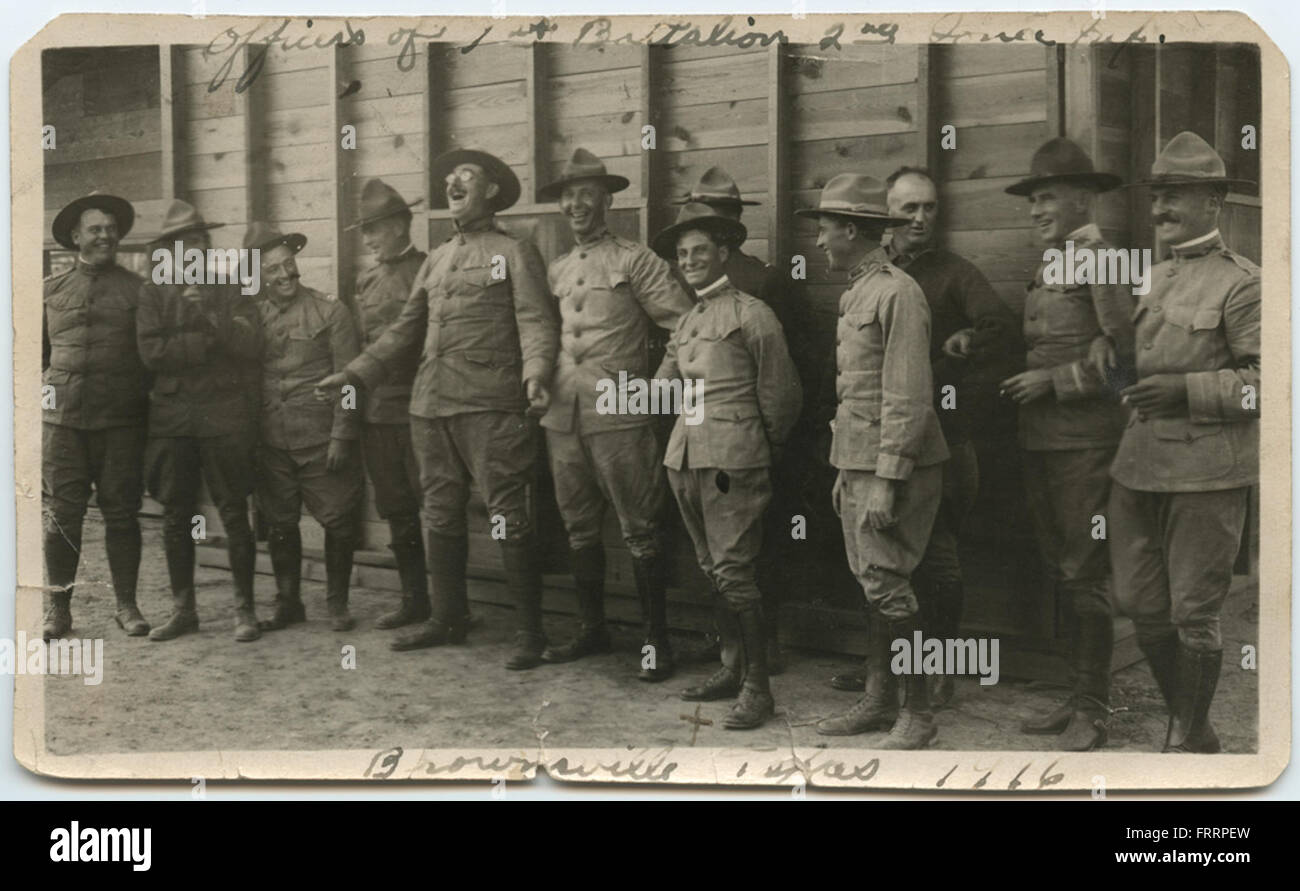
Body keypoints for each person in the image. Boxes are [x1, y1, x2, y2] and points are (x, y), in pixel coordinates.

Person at [318, 148, 560, 669]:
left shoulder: (512, 251)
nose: (452, 183)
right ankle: (447, 617)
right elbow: (405, 331)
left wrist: (536, 374)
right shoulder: (439, 258)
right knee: (441, 512)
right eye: (448, 178)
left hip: (491, 405)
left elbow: (536, 321)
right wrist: (356, 372)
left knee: (508, 517)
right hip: (430, 405)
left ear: (491, 190)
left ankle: (530, 633)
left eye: (465, 177)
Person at [829, 166, 1019, 702]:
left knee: (936, 561)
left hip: (943, 443)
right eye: (908, 208)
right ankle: (883, 674)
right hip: (884, 440)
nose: (920, 218)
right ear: (883, 218)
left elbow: (1002, 332)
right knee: (881, 564)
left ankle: (936, 674)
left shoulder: (953, 273)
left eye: (929, 208)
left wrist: (954, 352)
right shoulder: (873, 279)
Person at [1108, 131, 1259, 753]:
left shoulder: (1242, 283)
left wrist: (1185, 390)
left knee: (1193, 615)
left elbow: (1270, 386)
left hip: (1206, 475)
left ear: (1215, 202)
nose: (1161, 207)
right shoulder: (1155, 276)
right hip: (1139, 466)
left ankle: (1185, 739)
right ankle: (1193, 730)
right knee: (1140, 602)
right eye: (1158, 194)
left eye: (1177, 195)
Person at [801, 174, 950, 749]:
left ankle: (917, 714)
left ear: (853, 230)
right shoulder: (859, 291)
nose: (819, 242)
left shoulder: (897, 292)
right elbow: (857, 395)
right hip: (860, 463)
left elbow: (907, 394)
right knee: (873, 583)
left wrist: (888, 479)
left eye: (826, 230)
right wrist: (846, 471)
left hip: (896, 466)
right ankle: (880, 698)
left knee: (889, 585)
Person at [537, 149, 693, 679]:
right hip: (563, 418)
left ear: (606, 199)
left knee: (641, 529)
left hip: (620, 416)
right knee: (578, 527)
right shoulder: (556, 269)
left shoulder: (636, 260)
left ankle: (656, 643)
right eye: (568, 194)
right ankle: (591, 628)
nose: (577, 203)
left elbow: (685, 327)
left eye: (587, 193)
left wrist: (656, 390)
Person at [1001, 138, 1133, 751]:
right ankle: (1076, 693)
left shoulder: (1101, 258)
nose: (1034, 209)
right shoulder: (1056, 260)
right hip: (1045, 442)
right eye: (1032, 199)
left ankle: (1094, 707)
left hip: (1086, 445)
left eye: (1046, 197)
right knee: (1065, 566)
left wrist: (1052, 381)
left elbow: (1126, 362)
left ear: (1084, 196)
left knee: (1087, 572)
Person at [653, 202, 802, 729]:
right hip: (686, 457)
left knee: (736, 572)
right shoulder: (689, 320)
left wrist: (762, 452)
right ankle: (731, 668)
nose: (690, 261)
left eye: (700, 252)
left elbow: (781, 396)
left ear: (723, 254)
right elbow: (663, 385)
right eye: (682, 255)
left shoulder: (752, 313)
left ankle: (758, 690)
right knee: (714, 569)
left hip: (733, 462)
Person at [137, 200, 264, 641]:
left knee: (233, 510)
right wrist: (206, 341)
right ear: (169, 250)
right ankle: (183, 610)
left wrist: (212, 318)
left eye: (199, 242)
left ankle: (245, 611)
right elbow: (151, 353)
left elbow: (251, 345)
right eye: (182, 244)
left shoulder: (231, 286)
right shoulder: (153, 291)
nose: (192, 251)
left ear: (208, 247)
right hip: (173, 416)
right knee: (176, 513)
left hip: (222, 413)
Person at [42, 192, 150, 640]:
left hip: (121, 421)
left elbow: (150, 356)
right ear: (76, 237)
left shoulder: (138, 291)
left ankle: (127, 605)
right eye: (96, 229)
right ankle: (58, 609)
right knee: (64, 517)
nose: (106, 236)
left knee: (121, 515)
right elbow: (34, 355)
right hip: (63, 423)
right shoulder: (50, 291)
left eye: (111, 229)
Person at [251, 222, 363, 633]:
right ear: (258, 277)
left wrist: (342, 435)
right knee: (280, 524)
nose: (285, 275)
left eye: (289, 265)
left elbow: (349, 380)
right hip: (271, 440)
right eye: (273, 270)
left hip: (319, 439)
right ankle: (288, 602)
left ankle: (336, 603)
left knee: (337, 521)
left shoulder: (329, 311)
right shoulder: (251, 315)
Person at [344, 178, 432, 631]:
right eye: (365, 230)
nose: (369, 239)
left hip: (419, 410)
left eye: (375, 228)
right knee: (396, 508)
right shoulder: (367, 280)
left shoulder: (426, 269)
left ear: (400, 225)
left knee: (435, 505)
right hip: (378, 413)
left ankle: (450, 603)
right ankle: (413, 598)